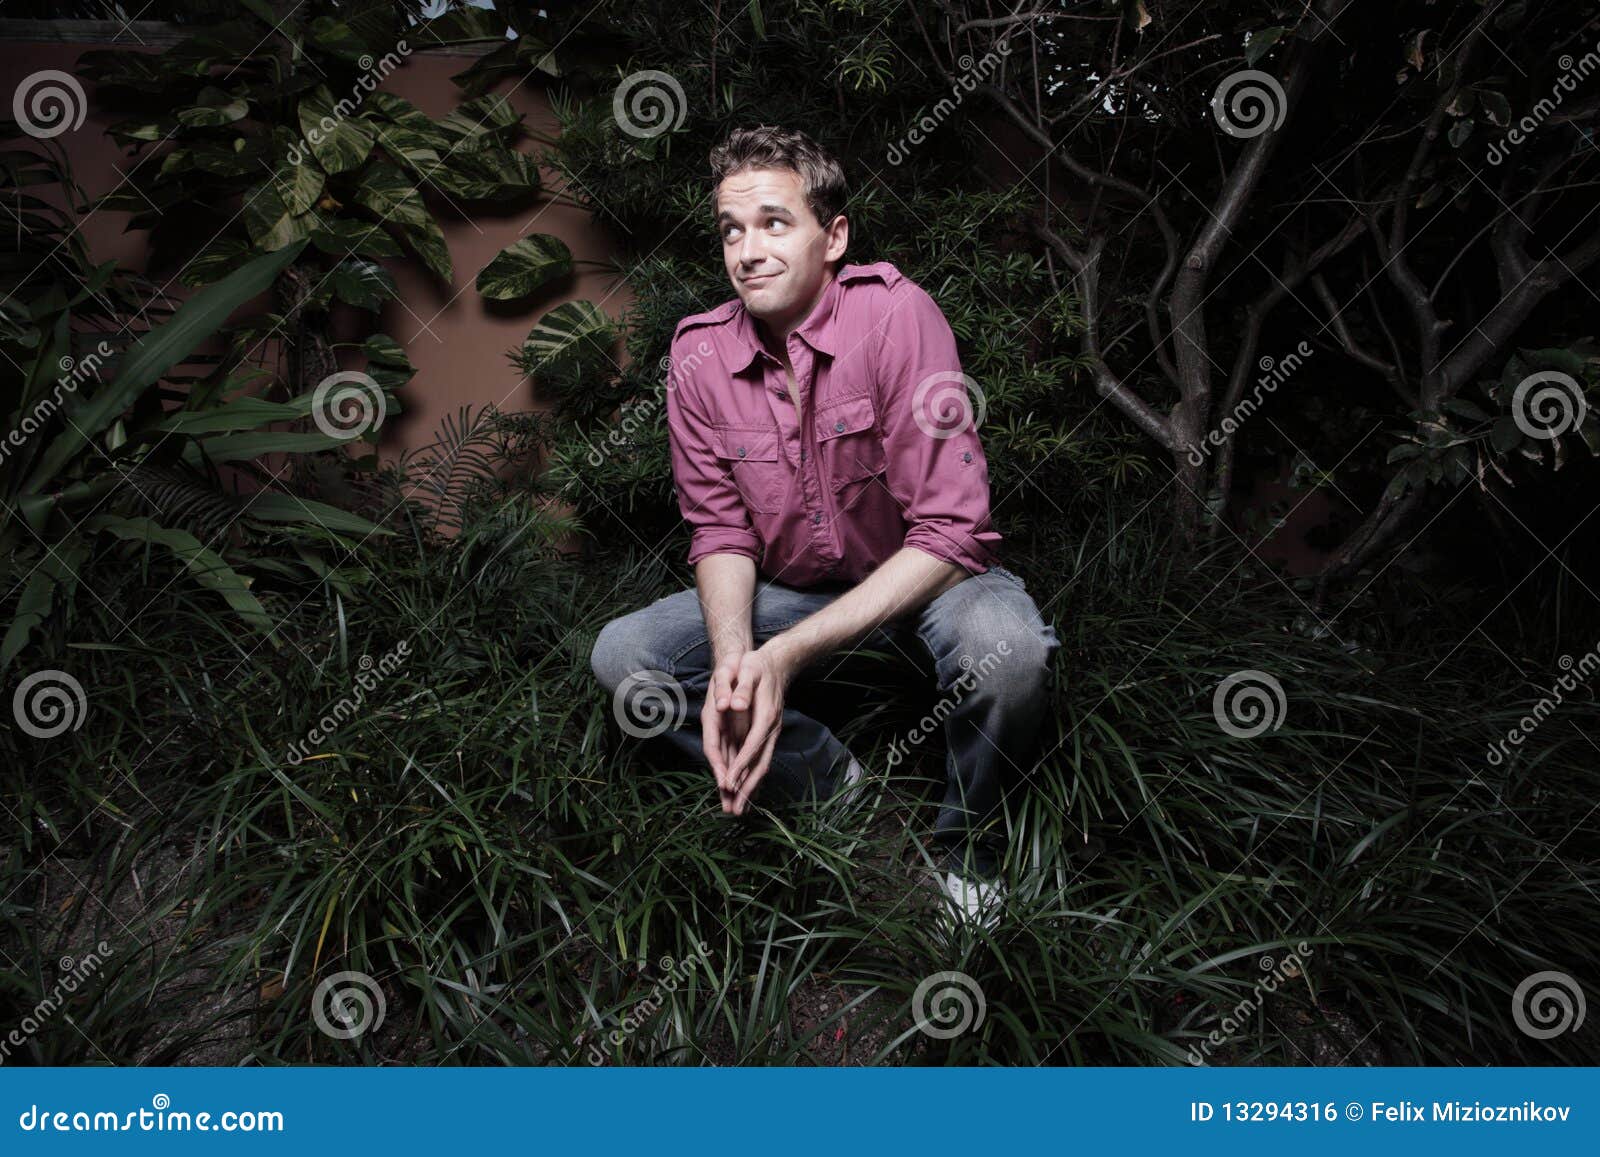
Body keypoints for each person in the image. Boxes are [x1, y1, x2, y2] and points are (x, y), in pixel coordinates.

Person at [590, 125, 1059, 929]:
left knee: (1008, 654)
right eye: (732, 230)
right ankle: (824, 781)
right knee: (624, 657)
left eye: (775, 222)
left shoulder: (896, 317)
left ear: (833, 236)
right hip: (796, 593)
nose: (747, 250)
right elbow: (720, 533)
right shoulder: (700, 358)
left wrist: (787, 659)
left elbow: (953, 529)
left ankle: (973, 857)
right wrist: (741, 670)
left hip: (928, 579)